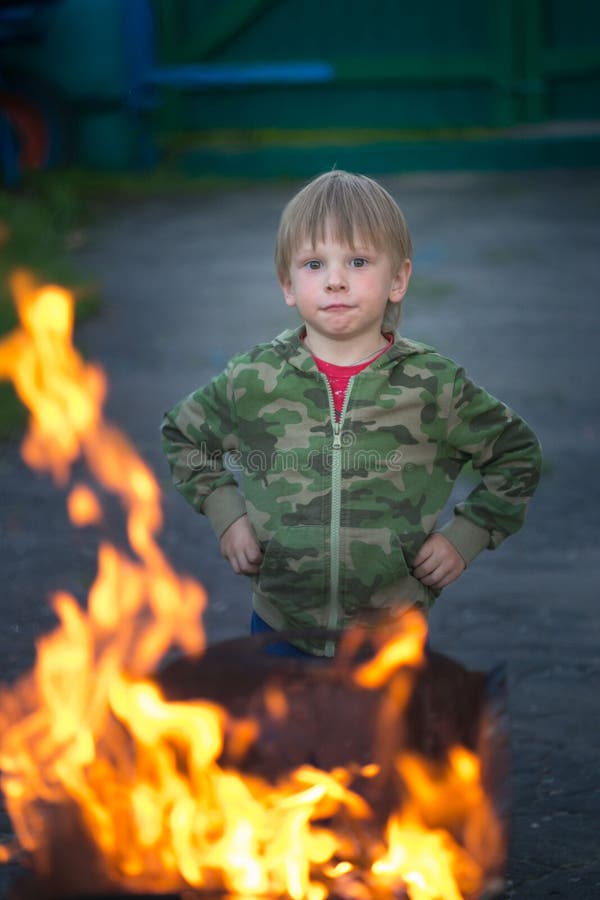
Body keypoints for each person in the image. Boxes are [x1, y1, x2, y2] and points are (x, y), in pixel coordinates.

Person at [160, 170, 542, 658]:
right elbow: (184, 435)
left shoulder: (432, 385)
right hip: (281, 627)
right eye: (314, 263)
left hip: (389, 636)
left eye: (358, 261)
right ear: (288, 284)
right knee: (291, 737)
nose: (336, 280)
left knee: (380, 738)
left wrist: (464, 538)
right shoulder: (254, 378)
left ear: (398, 279)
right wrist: (226, 514)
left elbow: (517, 454)